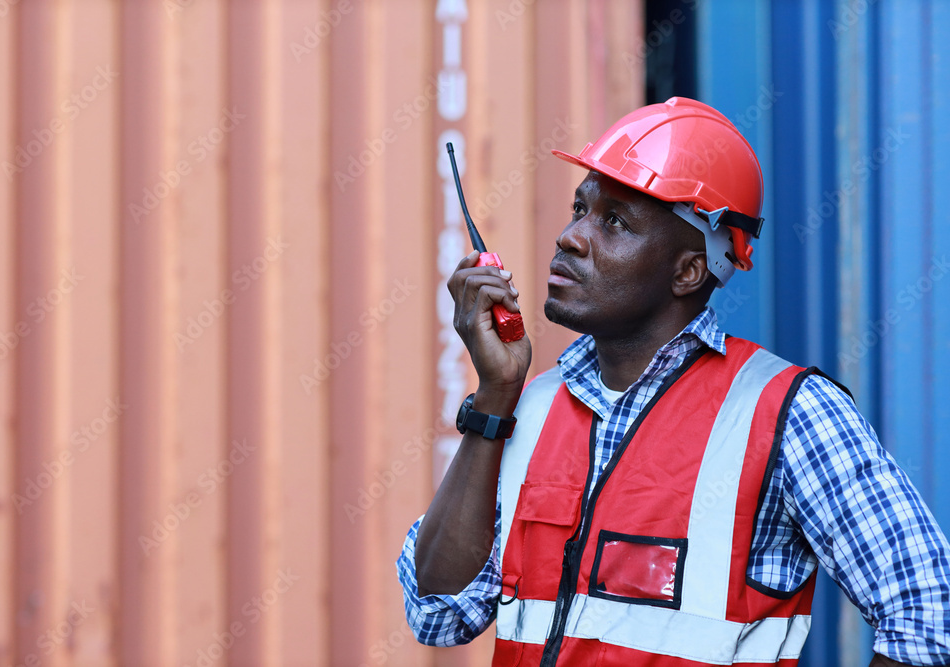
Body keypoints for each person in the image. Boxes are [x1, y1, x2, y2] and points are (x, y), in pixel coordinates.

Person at [396, 97, 950, 666]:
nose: (571, 237)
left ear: (688, 271)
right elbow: (439, 612)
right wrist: (494, 397)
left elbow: (929, 614)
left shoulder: (787, 414)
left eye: (614, 221)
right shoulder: (529, 408)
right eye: (579, 209)